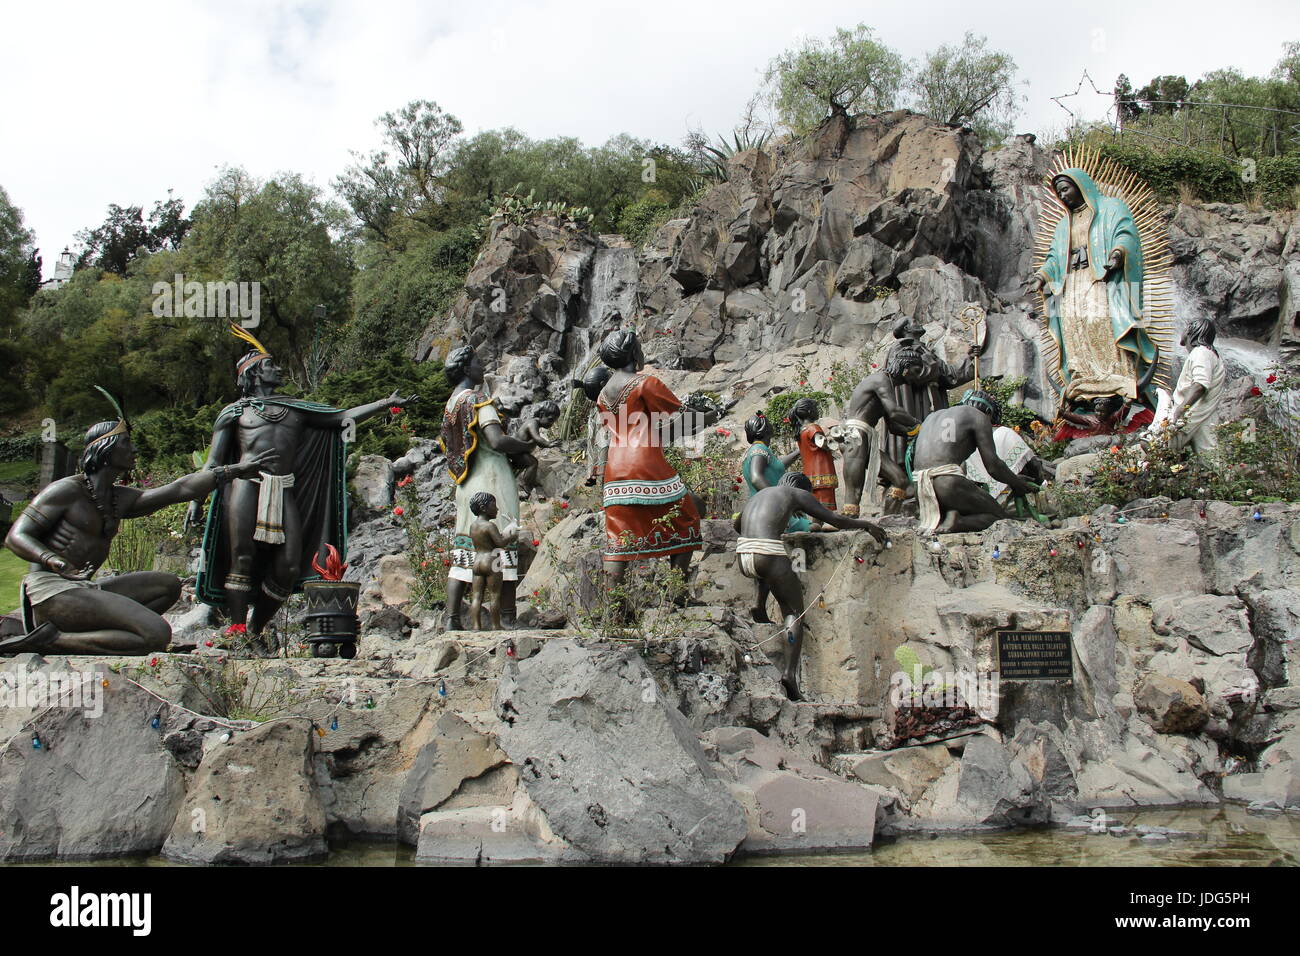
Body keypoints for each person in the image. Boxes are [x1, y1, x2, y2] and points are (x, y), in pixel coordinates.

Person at [189, 324, 412, 649]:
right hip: (246, 487)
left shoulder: (296, 410)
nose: (278, 369)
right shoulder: (235, 413)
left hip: (284, 489)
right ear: (254, 374)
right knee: (242, 558)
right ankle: (237, 634)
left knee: (290, 564)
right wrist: (196, 500)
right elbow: (212, 462)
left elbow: (341, 418)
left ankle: (256, 628)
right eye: (271, 365)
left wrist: (384, 404)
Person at [4, 411, 276, 655]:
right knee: (156, 634)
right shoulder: (66, 491)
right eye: (126, 444)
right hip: (50, 592)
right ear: (106, 449)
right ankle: (53, 639)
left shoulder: (118, 498)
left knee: (167, 586)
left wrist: (234, 471)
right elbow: (15, 537)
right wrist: (53, 560)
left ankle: (110, 634)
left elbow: (180, 489)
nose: (134, 449)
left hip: (83, 589)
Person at [596, 328, 724, 611]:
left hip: (615, 469)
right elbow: (682, 418)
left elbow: (627, 430)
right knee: (688, 517)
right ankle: (675, 592)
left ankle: (613, 611)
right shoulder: (646, 383)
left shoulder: (603, 395)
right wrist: (711, 416)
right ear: (633, 353)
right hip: (645, 463)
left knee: (618, 538)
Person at [733, 472, 887, 701]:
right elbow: (836, 520)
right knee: (793, 612)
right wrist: (866, 525)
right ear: (804, 489)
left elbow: (737, 524)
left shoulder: (761, 495)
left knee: (767, 572)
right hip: (767, 554)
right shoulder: (797, 494)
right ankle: (789, 675)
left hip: (744, 555)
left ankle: (759, 605)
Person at [1029, 169, 1160, 434]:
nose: (1063, 196)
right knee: (1075, 330)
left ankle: (1116, 378)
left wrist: (1117, 254)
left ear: (1081, 185)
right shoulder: (1063, 225)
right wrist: (1041, 276)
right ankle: (1084, 381)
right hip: (1072, 285)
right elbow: (1054, 257)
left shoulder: (1111, 208)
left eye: (1066, 189)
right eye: (1059, 192)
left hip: (1100, 278)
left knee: (1100, 321)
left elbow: (1126, 234)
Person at [439, 345, 532, 630]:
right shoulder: (478, 400)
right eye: (478, 362)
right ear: (466, 368)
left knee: (464, 552)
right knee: (503, 544)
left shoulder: (451, 405)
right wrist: (526, 445)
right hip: (492, 479)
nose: (482, 367)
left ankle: (452, 619)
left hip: (466, 484)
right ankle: (507, 617)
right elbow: (497, 441)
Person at [910, 390, 1038, 534]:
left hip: (919, 488)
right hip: (947, 485)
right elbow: (993, 466)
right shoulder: (978, 416)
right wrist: (1018, 484)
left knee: (959, 505)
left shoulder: (931, 417)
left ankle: (950, 516)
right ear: (988, 412)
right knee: (1000, 518)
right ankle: (959, 522)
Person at [837, 348, 924, 516]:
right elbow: (894, 412)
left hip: (867, 438)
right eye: (916, 371)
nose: (917, 377)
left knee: (900, 480)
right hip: (856, 436)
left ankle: (889, 518)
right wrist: (919, 425)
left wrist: (914, 433)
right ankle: (849, 524)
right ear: (905, 368)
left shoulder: (886, 385)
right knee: (854, 492)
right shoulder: (881, 379)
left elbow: (893, 426)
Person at [1145, 318, 1225, 456]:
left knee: (1152, 444)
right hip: (1201, 414)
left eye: (1185, 327)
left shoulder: (1201, 353)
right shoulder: (1210, 354)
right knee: (1210, 458)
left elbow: (1199, 385)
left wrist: (1179, 410)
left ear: (1190, 330)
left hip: (1188, 415)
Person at [740, 411, 808, 533]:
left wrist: (799, 452)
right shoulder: (760, 449)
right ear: (767, 430)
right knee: (808, 527)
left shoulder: (755, 451)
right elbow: (756, 478)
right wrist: (779, 498)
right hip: (771, 508)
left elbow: (779, 465)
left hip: (759, 507)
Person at [466, 492, 516, 631]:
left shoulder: (473, 526)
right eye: (493, 505)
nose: (497, 509)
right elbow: (500, 543)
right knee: (495, 595)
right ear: (483, 508)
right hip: (491, 561)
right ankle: (496, 625)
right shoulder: (490, 526)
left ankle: (476, 625)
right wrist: (511, 537)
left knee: (476, 596)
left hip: (477, 561)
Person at [789, 398, 838, 529]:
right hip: (822, 469)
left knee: (816, 499)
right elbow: (822, 443)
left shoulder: (801, 431)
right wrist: (836, 438)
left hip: (809, 472)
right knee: (825, 496)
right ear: (810, 411)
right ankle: (829, 520)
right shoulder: (813, 428)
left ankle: (816, 522)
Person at [510, 400, 560, 499]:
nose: (551, 424)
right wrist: (548, 444)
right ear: (541, 414)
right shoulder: (532, 423)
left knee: (522, 465)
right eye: (550, 420)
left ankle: (520, 482)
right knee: (532, 463)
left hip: (520, 452)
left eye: (553, 421)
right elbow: (537, 438)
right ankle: (525, 486)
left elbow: (537, 442)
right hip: (516, 452)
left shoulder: (535, 424)